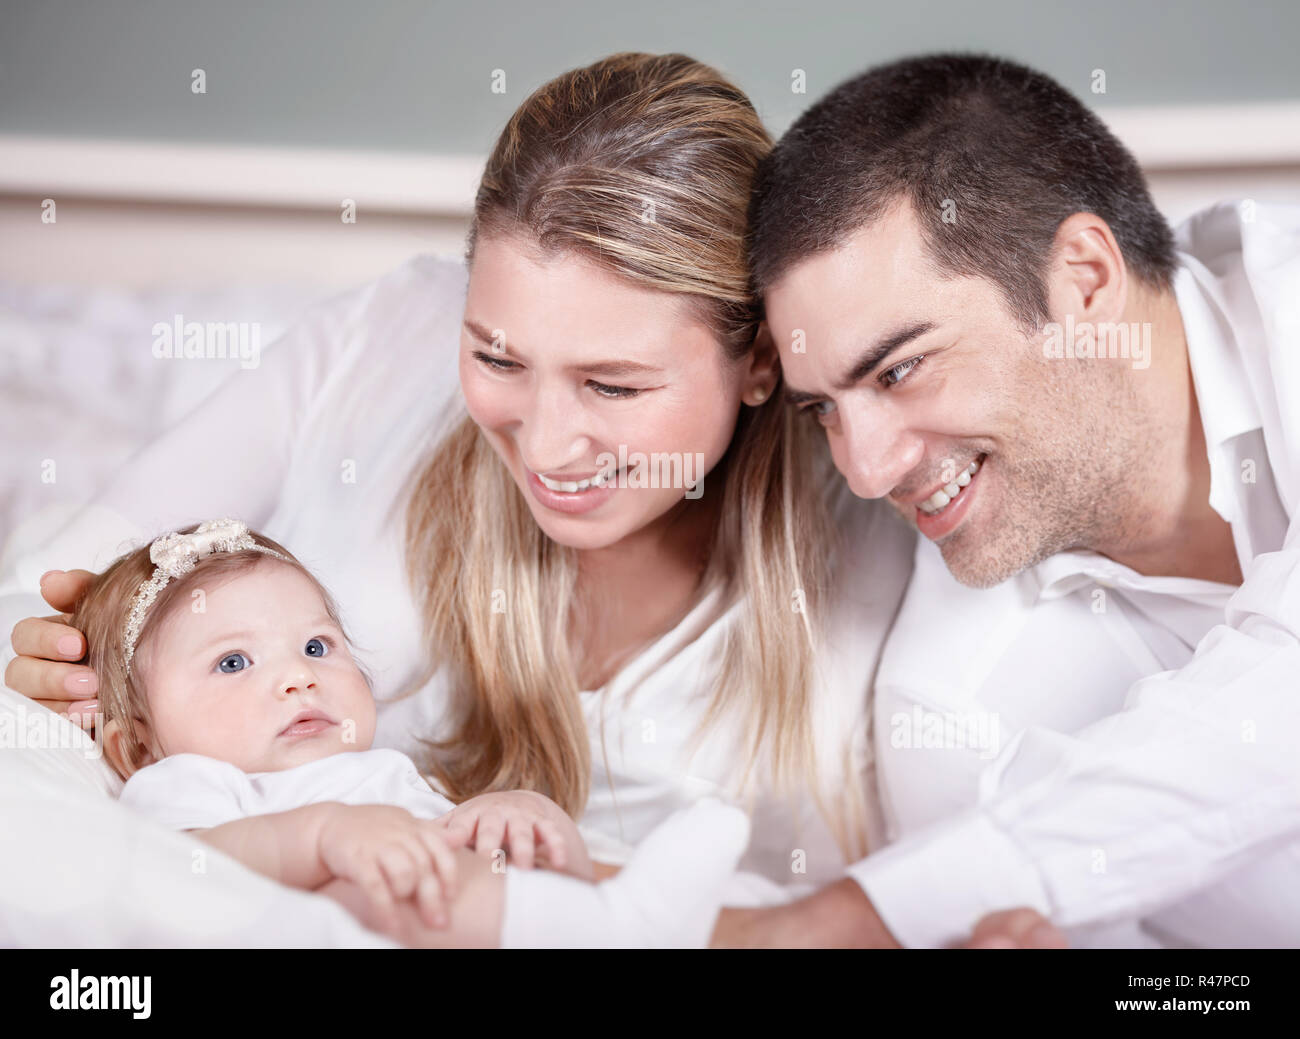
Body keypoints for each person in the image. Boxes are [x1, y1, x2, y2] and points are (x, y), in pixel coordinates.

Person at [1, 53, 915, 922]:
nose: (549, 447)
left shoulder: (875, 513)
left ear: (758, 358)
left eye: (614, 384)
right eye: (496, 355)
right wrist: (56, 657)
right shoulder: (389, 335)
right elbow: (47, 588)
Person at [715, 53, 1300, 948]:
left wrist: (866, 914)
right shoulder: (953, 715)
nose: (865, 471)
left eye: (900, 368)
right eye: (823, 409)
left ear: (1085, 281)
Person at [66, 515, 760, 948]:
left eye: (315, 647)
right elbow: (180, 874)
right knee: (375, 900)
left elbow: (471, 855)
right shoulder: (188, 779)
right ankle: (630, 930)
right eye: (234, 661)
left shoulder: (388, 775)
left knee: (510, 854)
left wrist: (517, 816)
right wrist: (320, 836)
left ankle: (610, 918)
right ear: (139, 744)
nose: (299, 679)